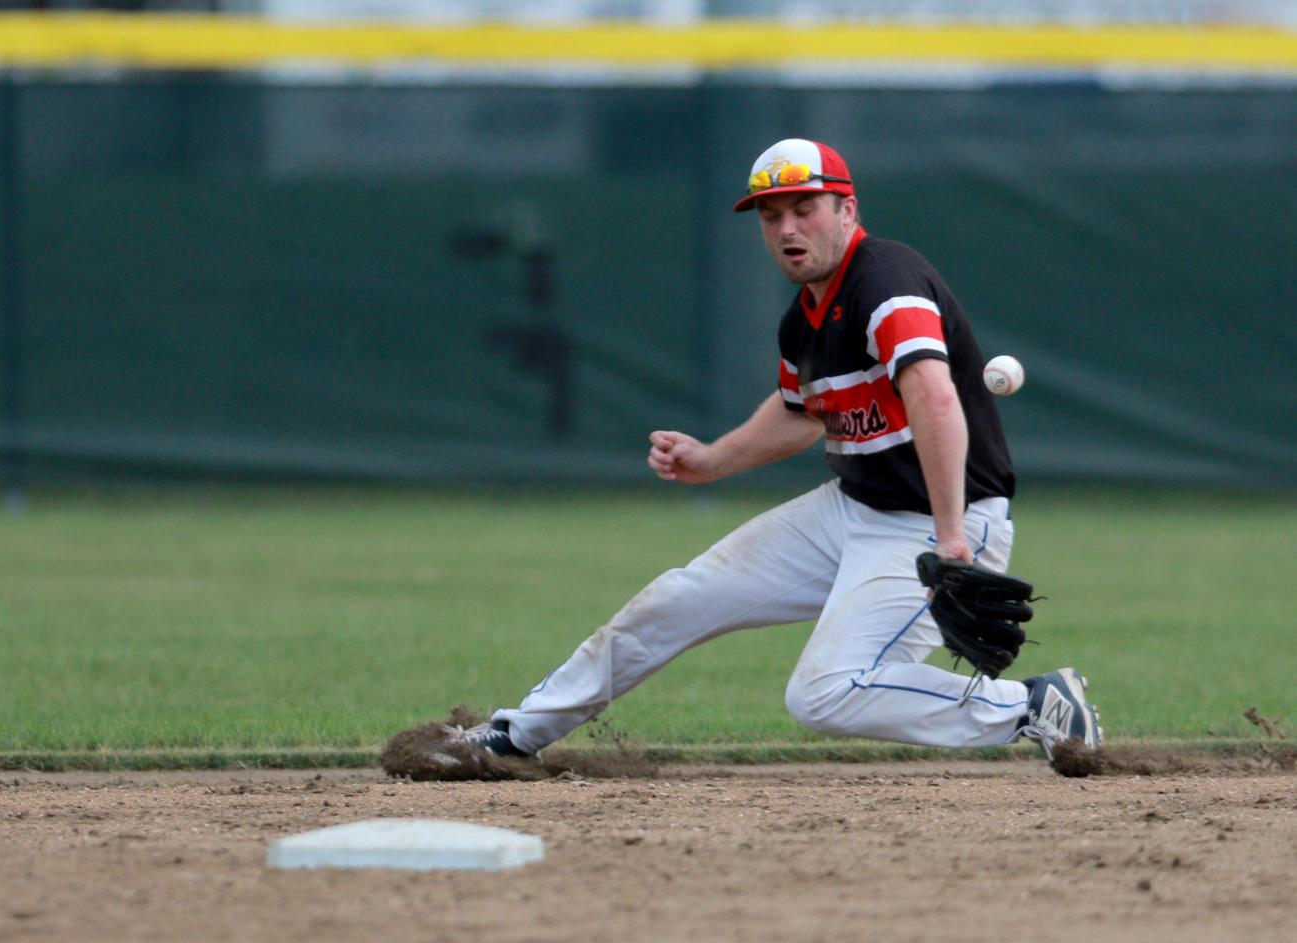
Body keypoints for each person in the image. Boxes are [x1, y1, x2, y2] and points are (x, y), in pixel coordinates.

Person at [455, 138, 1100, 763]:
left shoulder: (887, 281)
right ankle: (518, 735)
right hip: (853, 510)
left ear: (847, 210)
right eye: (772, 215)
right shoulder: (805, 316)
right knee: (679, 598)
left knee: (825, 693)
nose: (787, 227)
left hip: (935, 523)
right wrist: (713, 460)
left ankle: (1030, 705)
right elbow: (803, 413)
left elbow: (934, 397)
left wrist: (952, 536)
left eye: (804, 208)